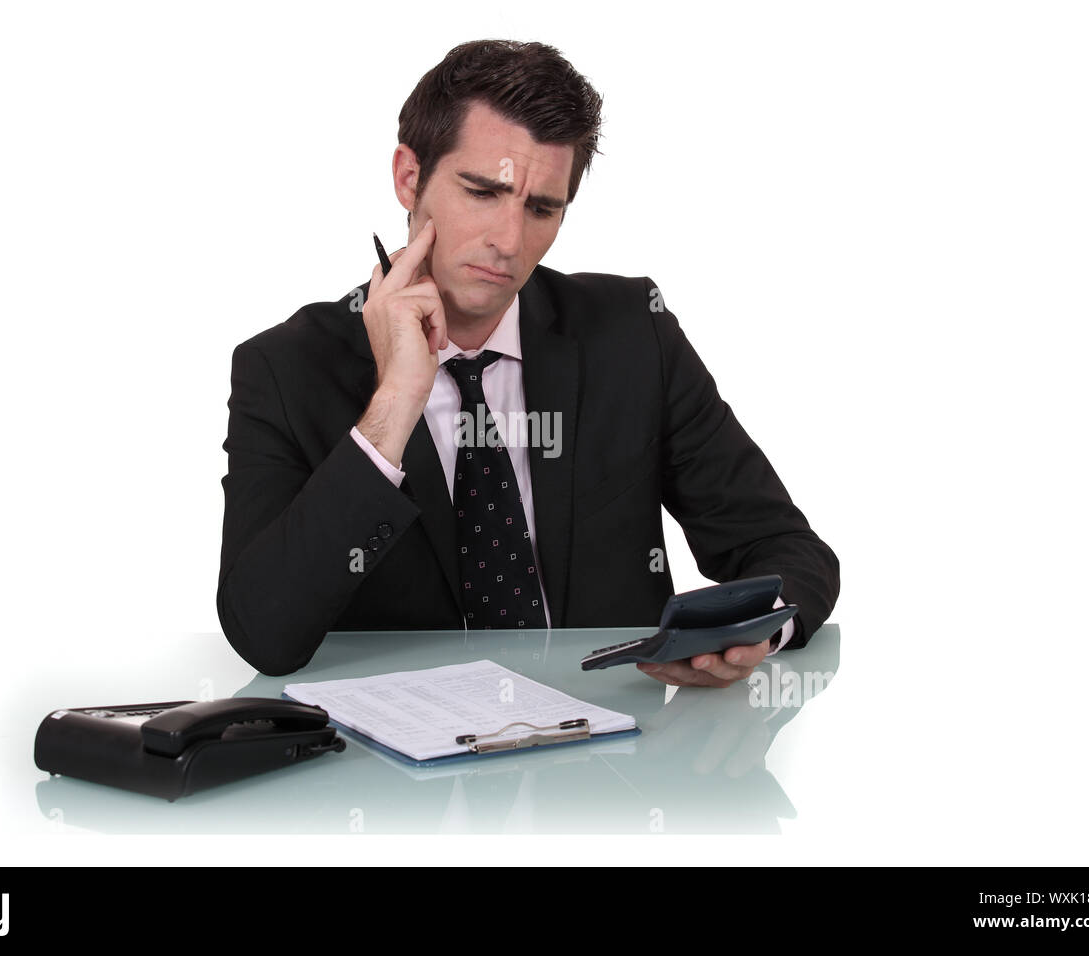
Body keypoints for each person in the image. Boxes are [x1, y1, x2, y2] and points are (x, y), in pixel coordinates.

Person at [217, 39, 839, 683]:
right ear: (409, 177)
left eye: (542, 208)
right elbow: (264, 633)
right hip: (394, 771)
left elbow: (788, 551)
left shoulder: (633, 335)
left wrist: (746, 636)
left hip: (614, 758)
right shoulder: (285, 369)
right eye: (483, 192)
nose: (510, 242)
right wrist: (394, 405)